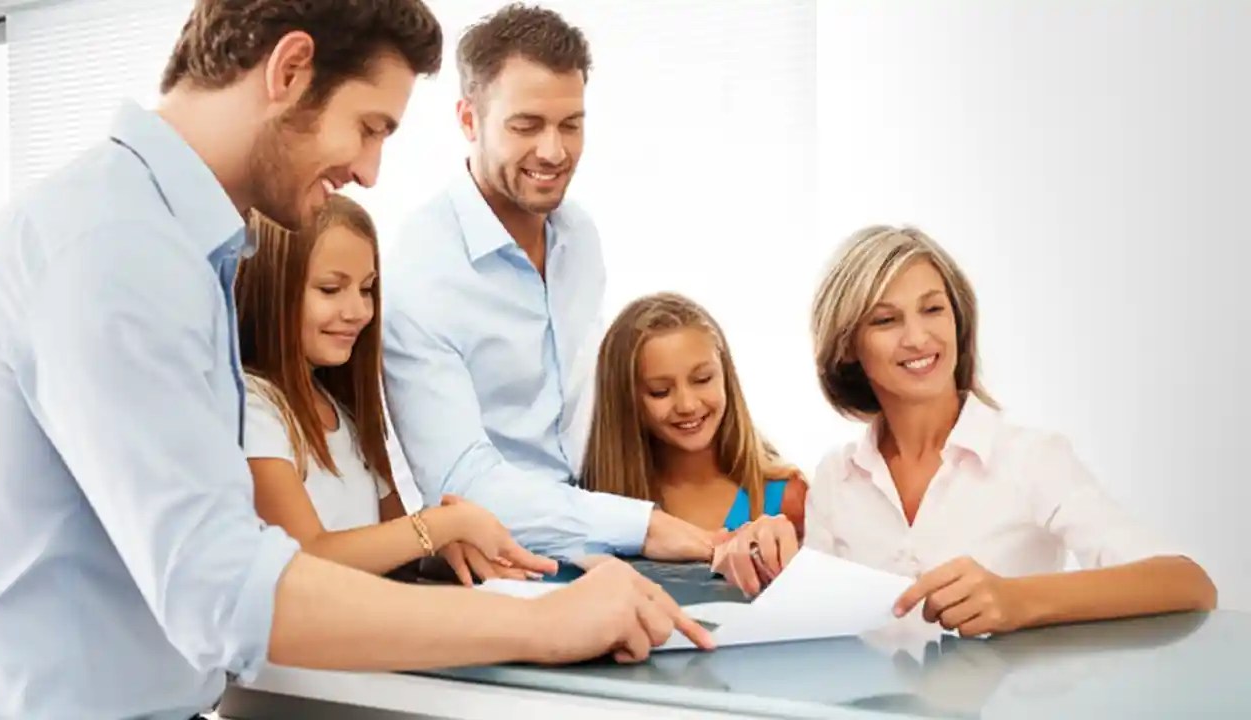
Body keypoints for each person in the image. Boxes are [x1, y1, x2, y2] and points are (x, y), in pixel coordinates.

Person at [0, 3, 710, 718]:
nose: (370, 170)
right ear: (289, 70)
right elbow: (221, 590)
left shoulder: (165, 242)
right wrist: (548, 624)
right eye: (369, 128)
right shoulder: (115, 249)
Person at [383, 4, 713, 563]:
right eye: (526, 125)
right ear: (469, 120)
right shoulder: (422, 271)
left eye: (571, 124)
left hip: (596, 543)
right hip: (491, 563)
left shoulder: (579, 236)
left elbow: (589, 413)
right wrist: (649, 526)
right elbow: (464, 486)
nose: (554, 152)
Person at [796, 224, 1215, 636]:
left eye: (933, 309)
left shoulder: (1031, 458)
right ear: (848, 345)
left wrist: (1017, 600)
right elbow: (815, 628)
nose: (918, 337)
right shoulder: (837, 477)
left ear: (958, 319)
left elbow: (1189, 585)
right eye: (886, 320)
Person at [237, 197, 549, 584]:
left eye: (367, 289)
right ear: (273, 288)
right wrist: (441, 525)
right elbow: (307, 556)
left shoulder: (344, 413)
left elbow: (391, 541)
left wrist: (450, 546)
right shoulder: (254, 408)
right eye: (331, 289)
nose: (358, 312)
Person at [581, 292, 808, 540]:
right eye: (660, 392)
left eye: (702, 379)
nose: (687, 405)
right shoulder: (584, 506)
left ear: (726, 376)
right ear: (625, 401)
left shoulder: (789, 499)